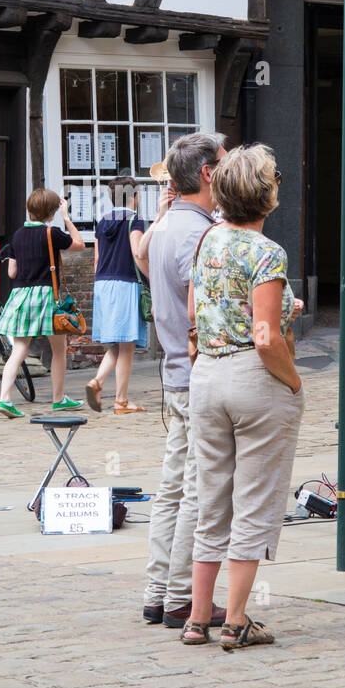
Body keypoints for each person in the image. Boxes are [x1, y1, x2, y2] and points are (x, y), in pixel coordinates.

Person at [179, 144, 304, 650]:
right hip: (254, 379)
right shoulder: (267, 252)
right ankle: (235, 620)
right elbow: (265, 336)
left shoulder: (209, 237)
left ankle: (195, 618)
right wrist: (293, 381)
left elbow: (194, 309)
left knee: (212, 501)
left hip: (206, 376)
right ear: (267, 193)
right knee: (253, 501)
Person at [132, 132, 228, 630]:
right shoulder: (198, 232)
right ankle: (181, 597)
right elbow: (199, 313)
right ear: (209, 174)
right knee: (194, 489)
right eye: (226, 164)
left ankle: (157, 591)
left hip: (173, 371)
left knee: (172, 486)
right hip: (193, 372)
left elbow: (144, 261)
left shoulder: (169, 224)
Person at [0, 188, 87, 418]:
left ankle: (4, 399)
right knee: (59, 349)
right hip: (46, 296)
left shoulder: (17, 235)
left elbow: (12, 272)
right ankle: (58, 399)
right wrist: (67, 218)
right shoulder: (52, 233)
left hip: (21, 296)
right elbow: (79, 244)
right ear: (52, 211)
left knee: (19, 348)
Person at [85, 177, 148, 414]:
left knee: (116, 345)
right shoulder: (135, 219)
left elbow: (97, 260)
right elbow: (138, 253)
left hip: (102, 284)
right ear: (134, 197)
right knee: (127, 346)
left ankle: (98, 381)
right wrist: (152, 281)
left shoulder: (102, 222)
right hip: (125, 283)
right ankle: (121, 400)